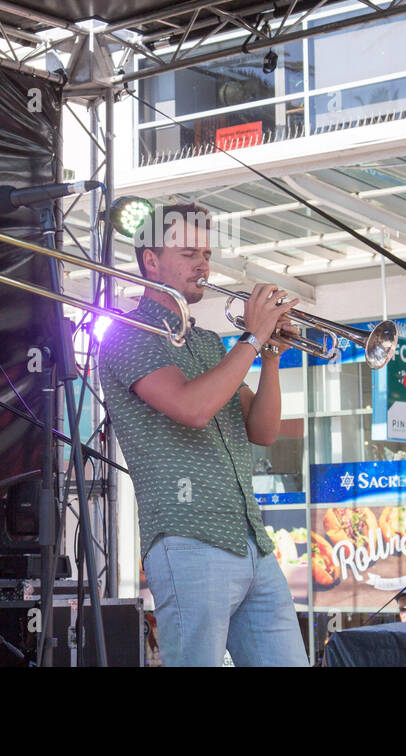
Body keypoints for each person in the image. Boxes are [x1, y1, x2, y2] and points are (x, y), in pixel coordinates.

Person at [97, 203, 306, 666]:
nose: (203, 265)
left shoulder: (210, 343)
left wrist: (270, 355)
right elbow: (192, 407)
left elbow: (264, 430)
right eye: (189, 251)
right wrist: (252, 339)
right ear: (150, 260)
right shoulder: (125, 335)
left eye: (207, 253)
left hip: (251, 538)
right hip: (188, 538)